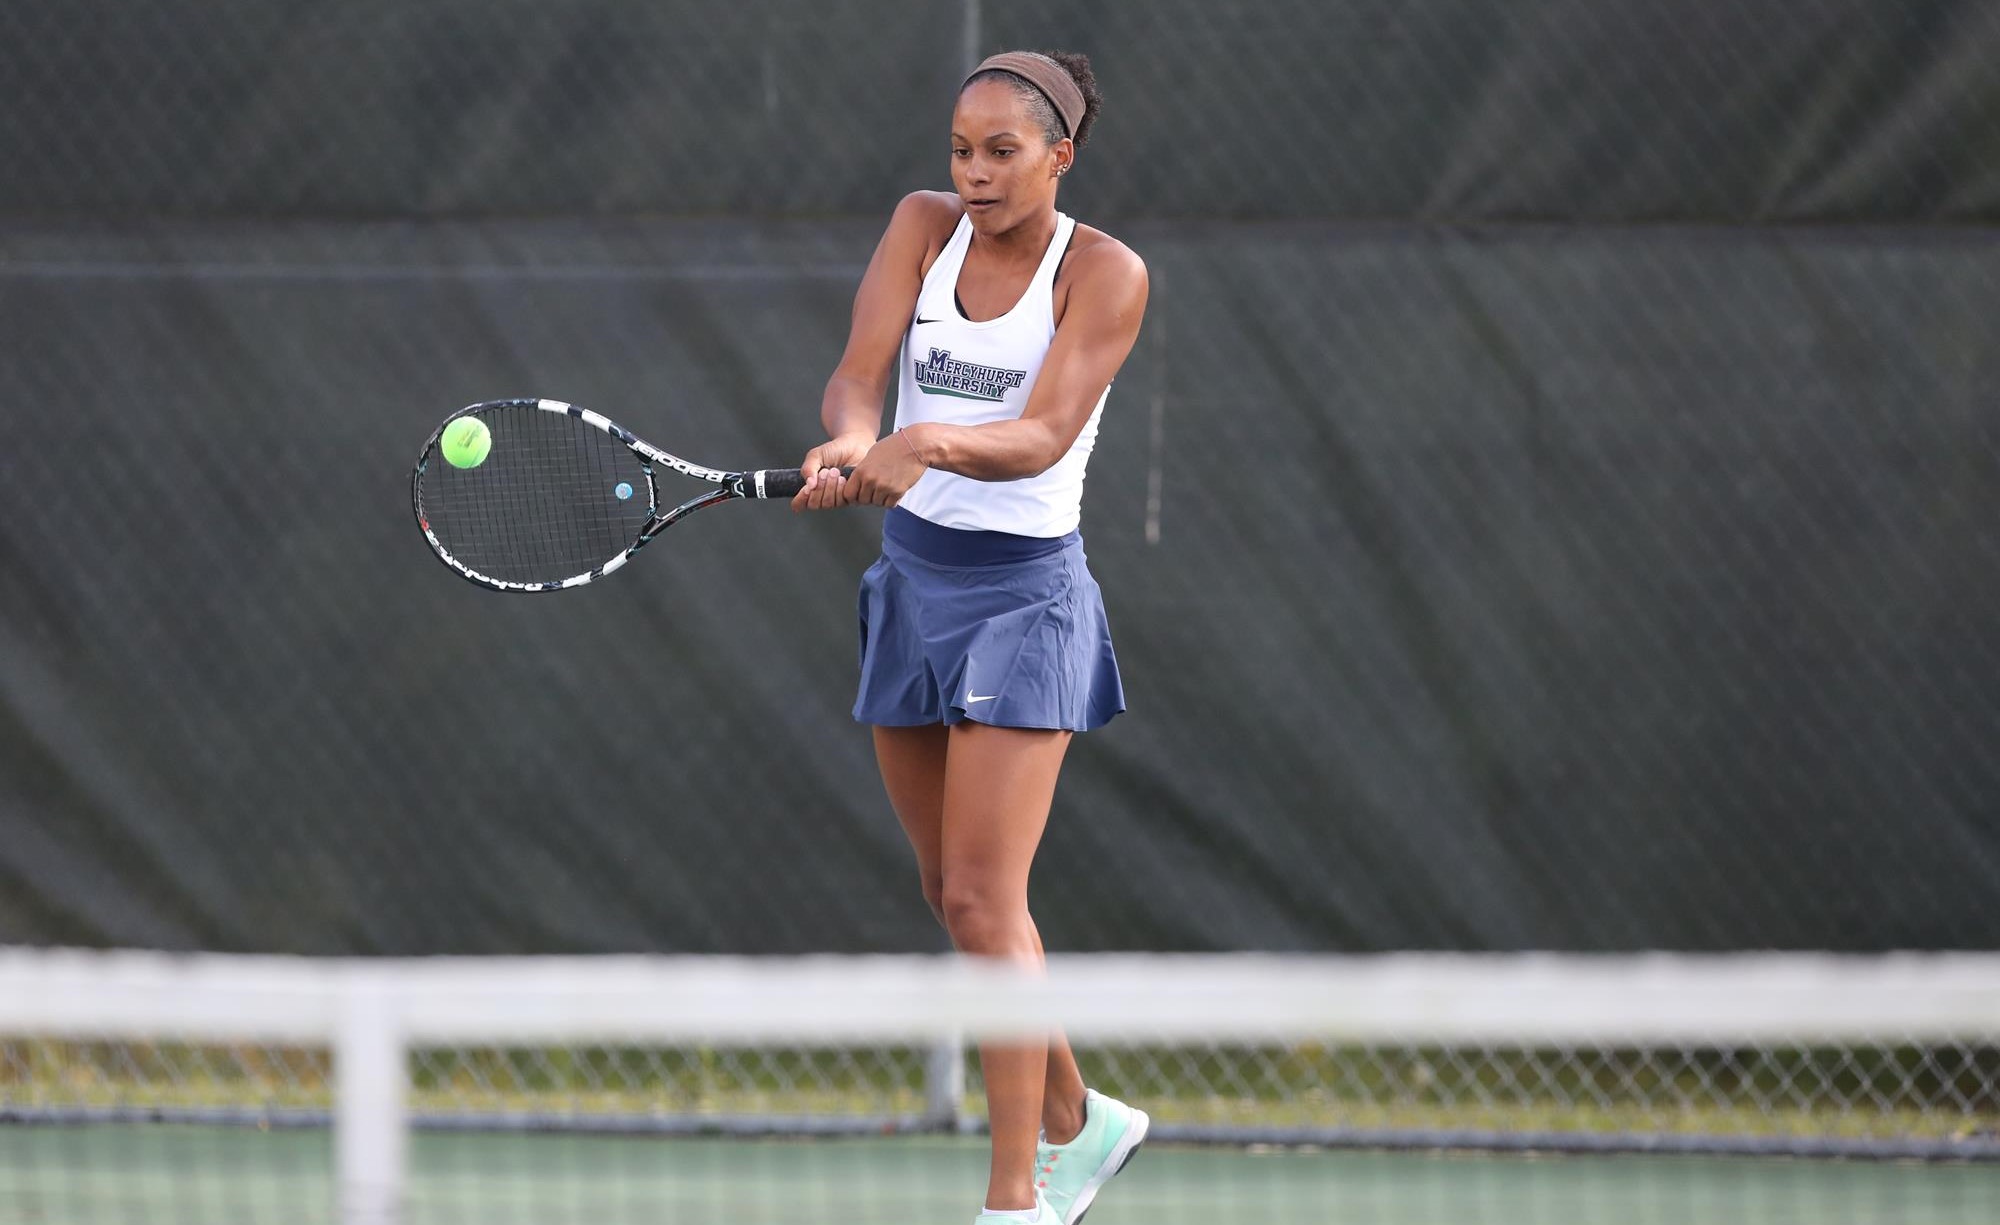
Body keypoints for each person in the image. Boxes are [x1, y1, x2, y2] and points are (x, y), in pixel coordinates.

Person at [792, 48, 1151, 1225]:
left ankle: (1012, 1200)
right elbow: (857, 378)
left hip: (1023, 603)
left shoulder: (1103, 273)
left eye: (1003, 151)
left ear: (1060, 155)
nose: (975, 172)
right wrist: (851, 442)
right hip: (912, 585)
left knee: (992, 902)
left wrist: (928, 444)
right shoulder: (918, 226)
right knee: (952, 896)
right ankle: (1076, 1117)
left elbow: (1044, 432)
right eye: (960, 149)